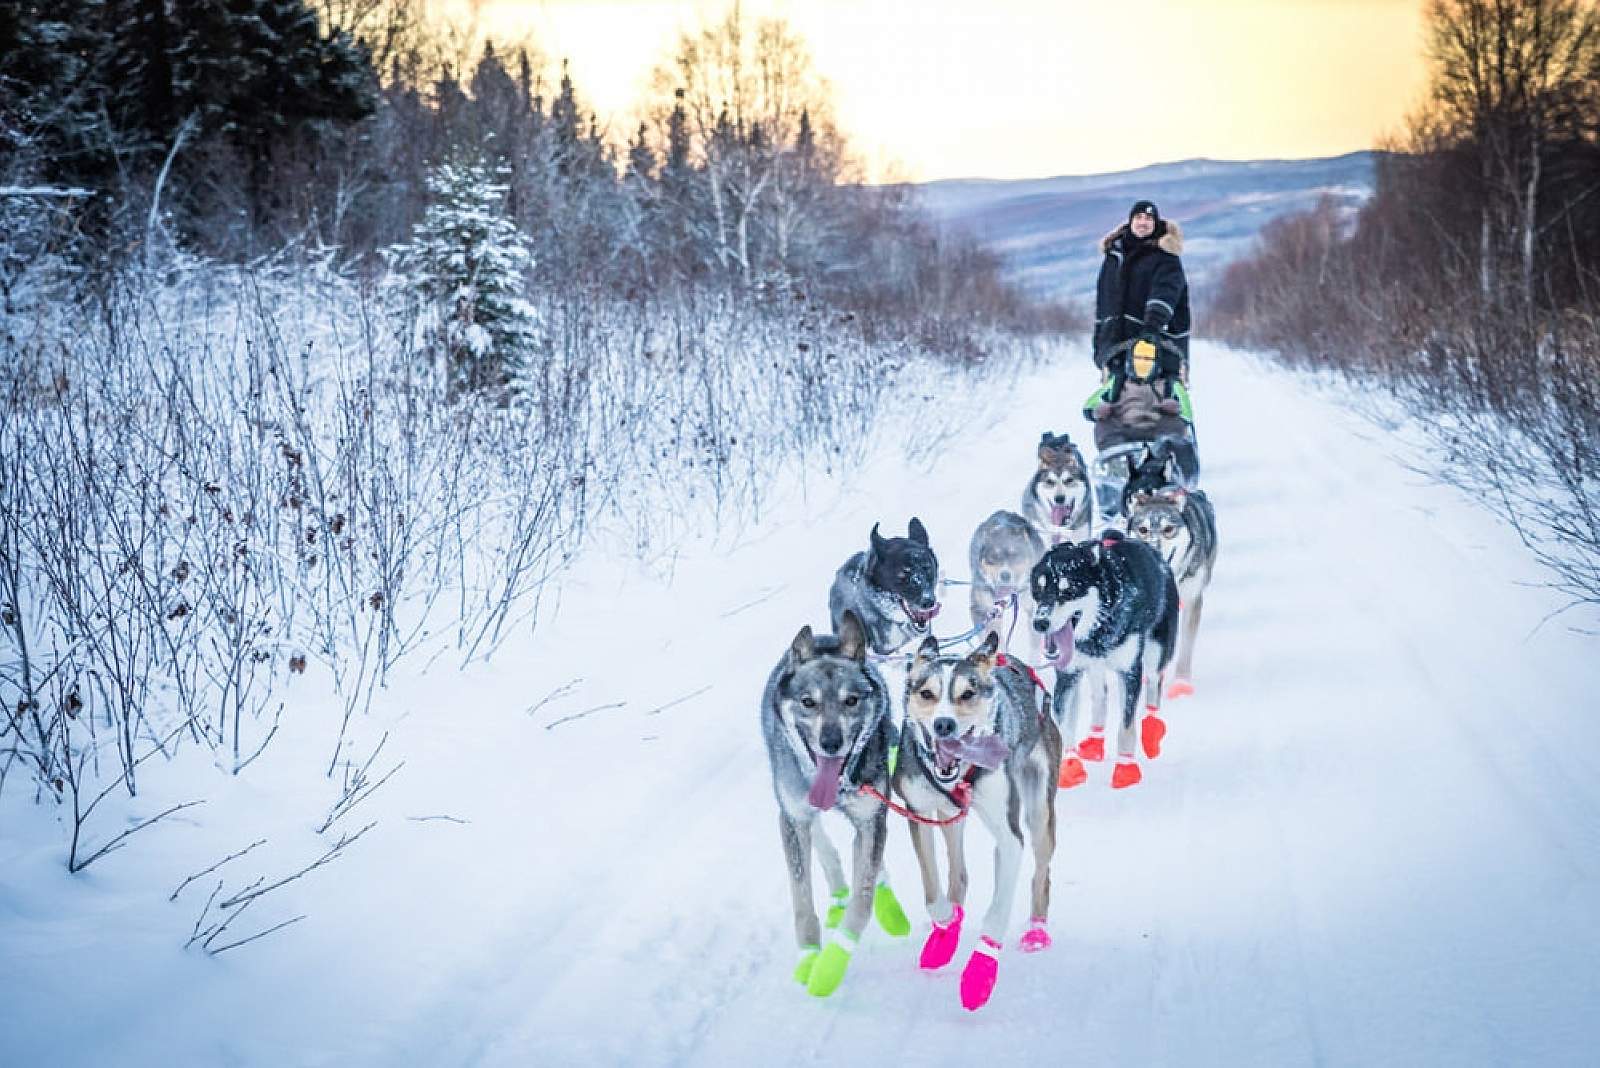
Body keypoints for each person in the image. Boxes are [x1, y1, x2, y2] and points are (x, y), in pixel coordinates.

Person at [1082, 200, 1199, 504]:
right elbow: (1103, 303)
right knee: (1118, 396)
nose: (1143, 222)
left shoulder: (1165, 255)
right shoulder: (1114, 256)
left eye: (1149, 218)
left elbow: (1166, 292)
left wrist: (1152, 326)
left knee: (1166, 396)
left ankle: (1177, 468)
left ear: (1156, 224)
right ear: (1129, 221)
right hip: (1116, 343)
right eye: (1138, 217)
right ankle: (1123, 471)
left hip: (1159, 342)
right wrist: (1101, 343)